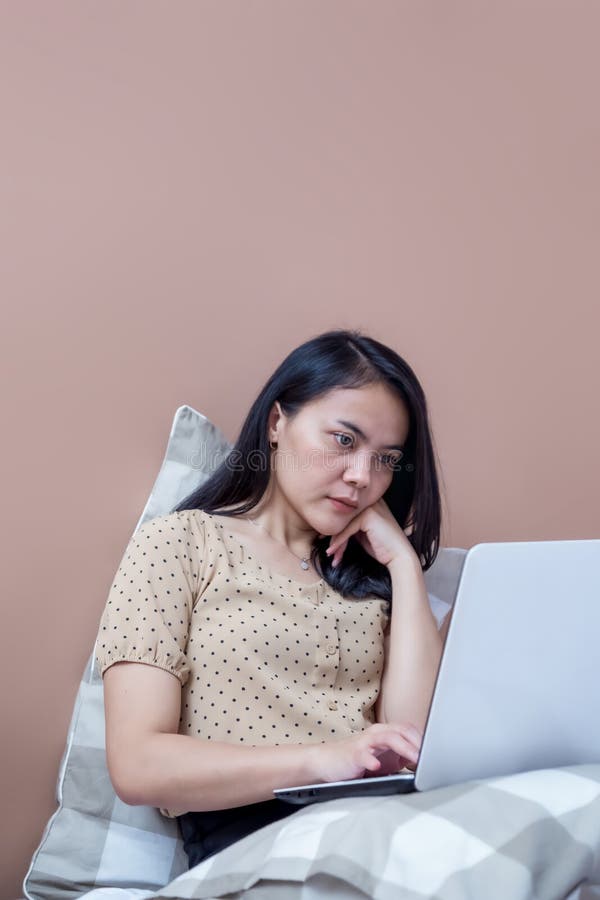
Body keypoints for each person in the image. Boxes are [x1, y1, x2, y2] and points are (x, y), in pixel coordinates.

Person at [94, 328, 449, 869]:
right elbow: (138, 765)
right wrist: (325, 760)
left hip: (387, 832)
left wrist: (402, 565)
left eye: (386, 459)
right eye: (345, 440)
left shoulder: (372, 578)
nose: (361, 477)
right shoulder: (181, 543)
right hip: (256, 846)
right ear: (277, 423)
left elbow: (413, 748)